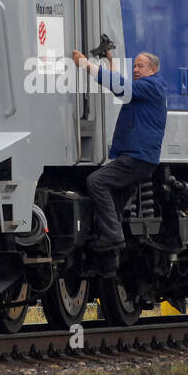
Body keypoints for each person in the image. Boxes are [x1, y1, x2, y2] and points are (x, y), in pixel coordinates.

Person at [70, 46, 169, 271]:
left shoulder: (152, 86)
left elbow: (122, 87)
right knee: (113, 201)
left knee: (97, 182)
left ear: (153, 69)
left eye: (140, 66)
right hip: (141, 158)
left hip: (137, 157)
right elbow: (122, 88)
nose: (135, 69)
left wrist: (86, 64)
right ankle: (109, 257)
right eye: (134, 65)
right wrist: (110, 62)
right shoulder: (147, 87)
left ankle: (113, 238)